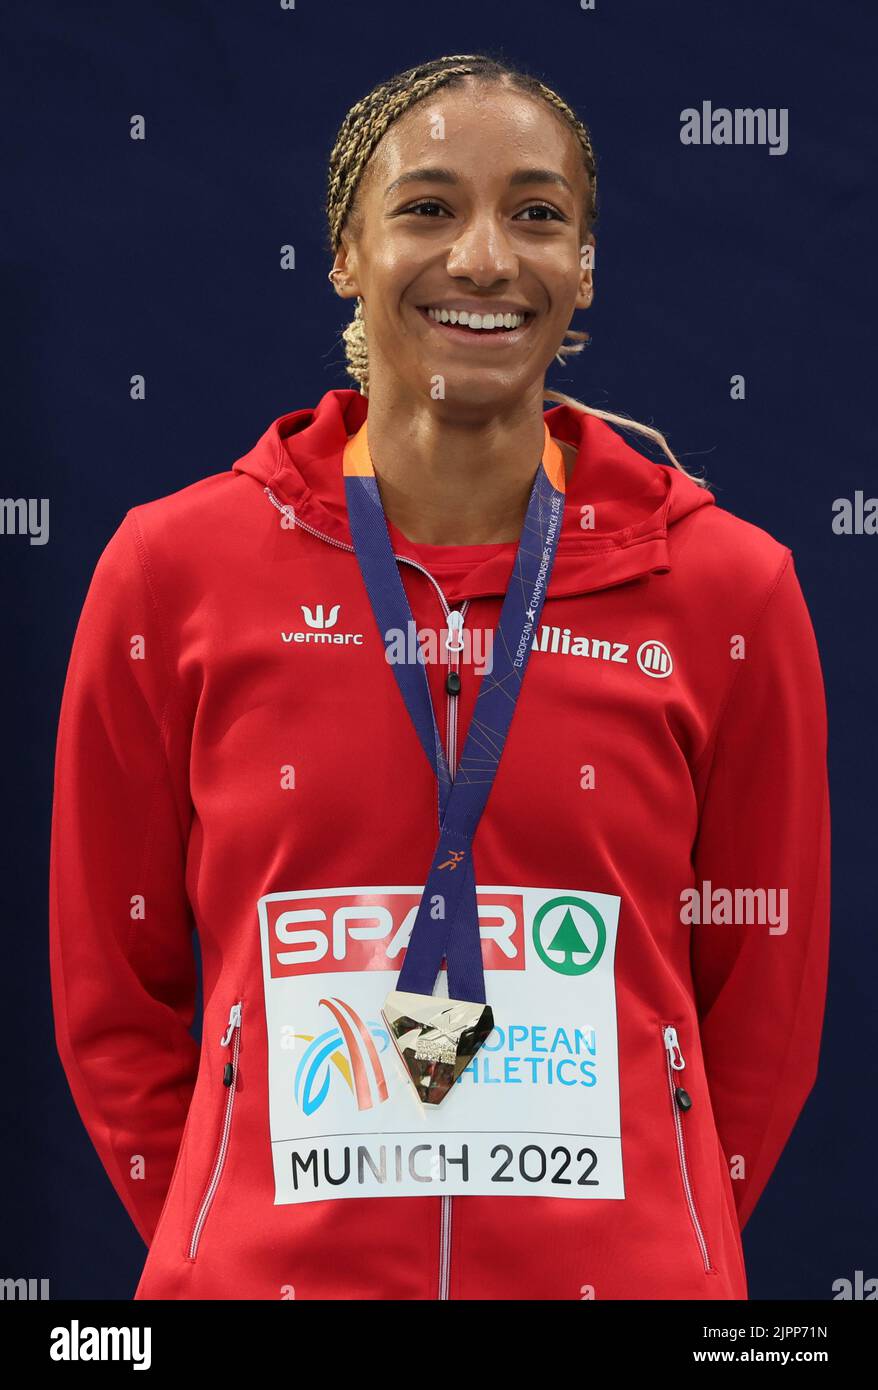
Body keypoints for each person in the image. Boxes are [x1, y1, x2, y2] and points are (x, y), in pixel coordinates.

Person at [48, 53, 830, 1301]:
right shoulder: (171, 569)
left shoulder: (730, 590)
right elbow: (111, 984)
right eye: (424, 207)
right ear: (345, 254)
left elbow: (764, 1004)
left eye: (535, 214)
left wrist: (651, 1241)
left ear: (583, 267)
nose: (482, 259)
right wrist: (222, 1239)